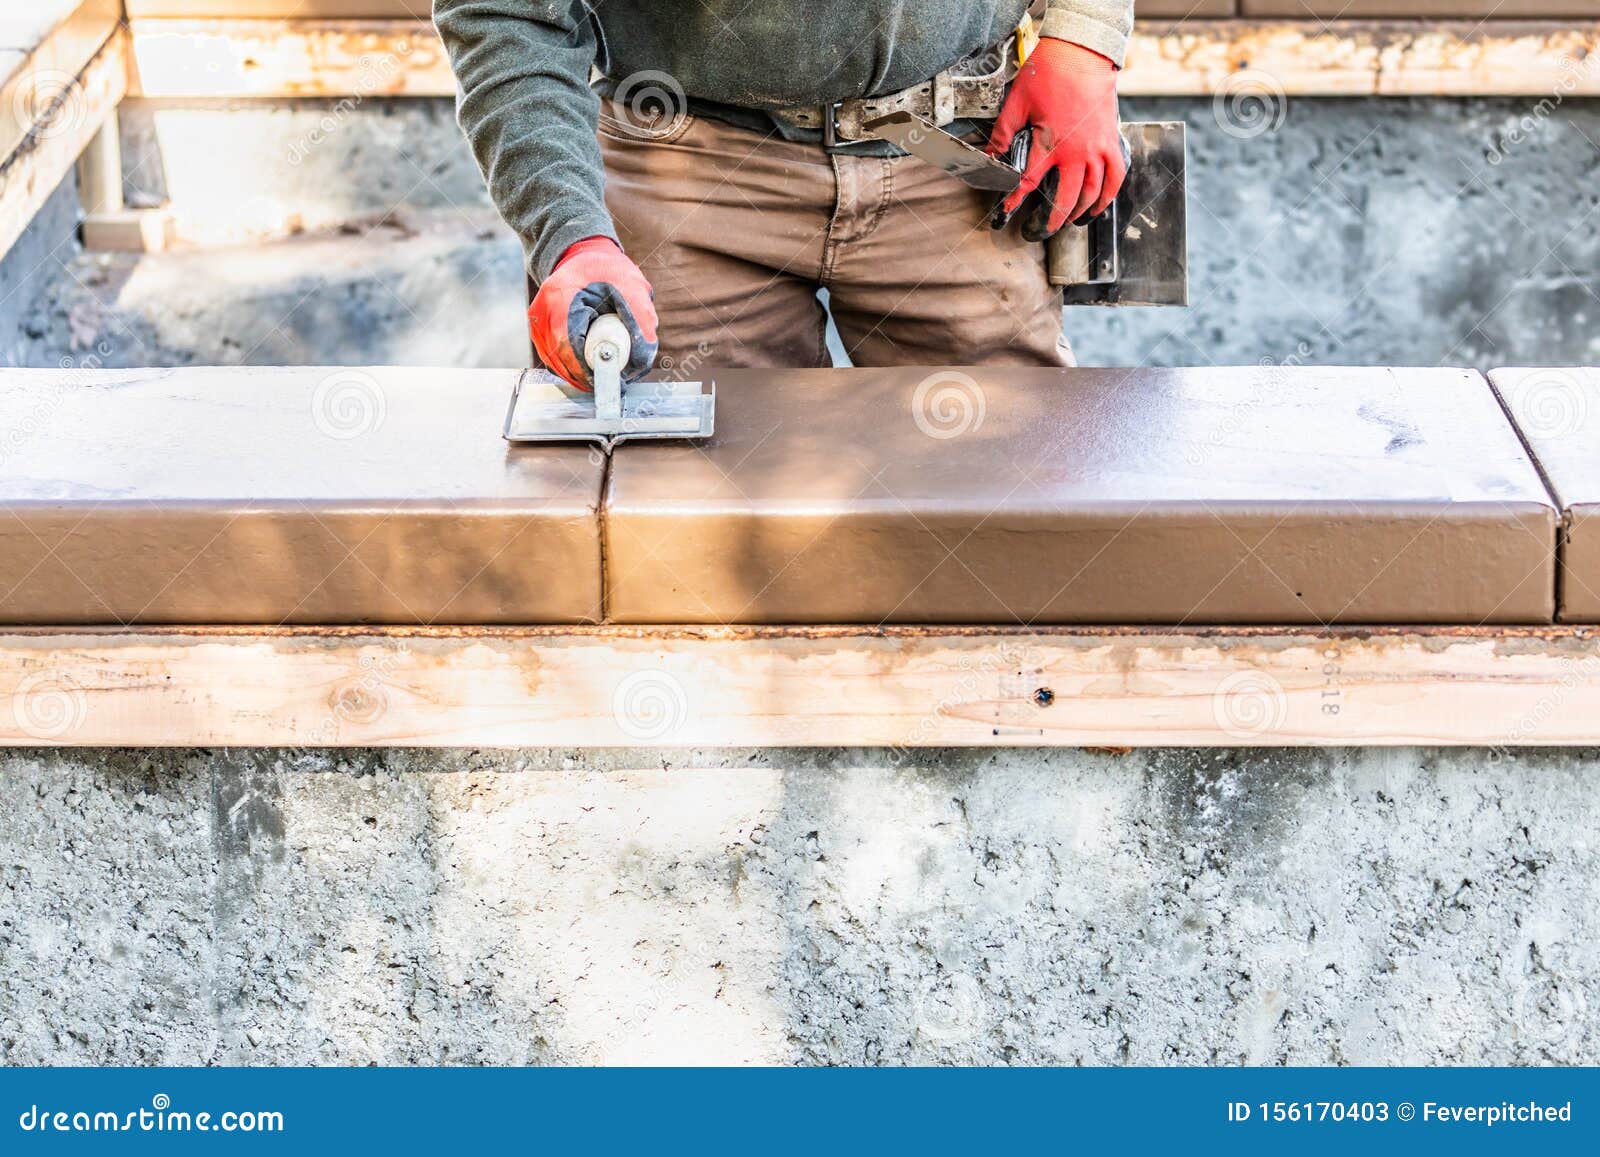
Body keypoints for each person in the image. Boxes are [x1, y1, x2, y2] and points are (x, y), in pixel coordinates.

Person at [434, 0, 1135, 388]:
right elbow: (507, 12)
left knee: (1012, 511)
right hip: (687, 171)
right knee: (683, 525)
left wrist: (1084, 42)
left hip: (956, 156)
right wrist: (574, 236)